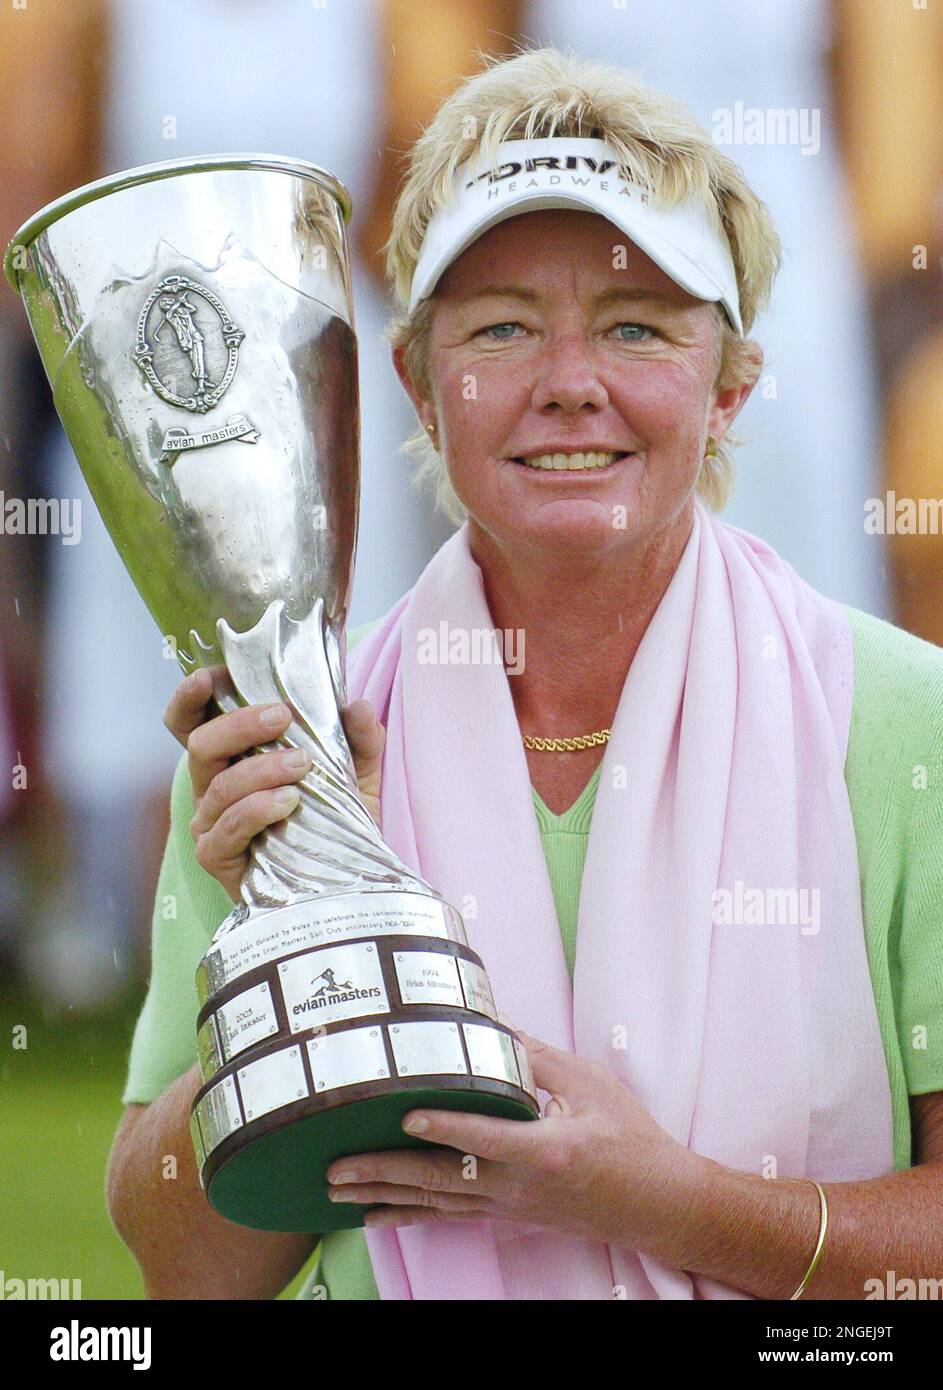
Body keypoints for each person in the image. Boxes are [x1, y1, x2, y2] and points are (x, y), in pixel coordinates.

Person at [107, 48, 943, 1301]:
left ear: (729, 386)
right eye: (500, 326)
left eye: (633, 327)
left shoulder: (900, 720)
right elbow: (190, 1270)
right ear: (418, 385)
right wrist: (293, 929)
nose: (568, 385)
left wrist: (665, 1199)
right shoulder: (289, 741)